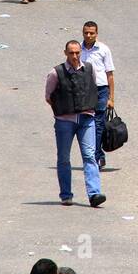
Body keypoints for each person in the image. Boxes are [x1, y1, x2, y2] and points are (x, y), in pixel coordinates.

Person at [45, 40, 106, 207]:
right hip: (65, 122)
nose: (74, 56)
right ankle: (66, 195)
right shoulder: (56, 73)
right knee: (64, 158)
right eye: (71, 53)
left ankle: (94, 194)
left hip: (86, 120)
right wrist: (64, 108)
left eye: (77, 52)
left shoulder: (89, 69)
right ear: (65, 53)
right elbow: (49, 96)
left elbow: (93, 87)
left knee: (89, 156)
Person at [80, 21, 116, 170]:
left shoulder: (104, 49)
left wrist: (111, 98)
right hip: (84, 91)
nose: (88, 35)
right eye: (86, 32)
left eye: (91, 33)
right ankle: (97, 155)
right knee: (86, 123)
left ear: (96, 34)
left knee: (98, 123)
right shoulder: (78, 49)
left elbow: (110, 74)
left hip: (101, 90)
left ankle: (96, 157)